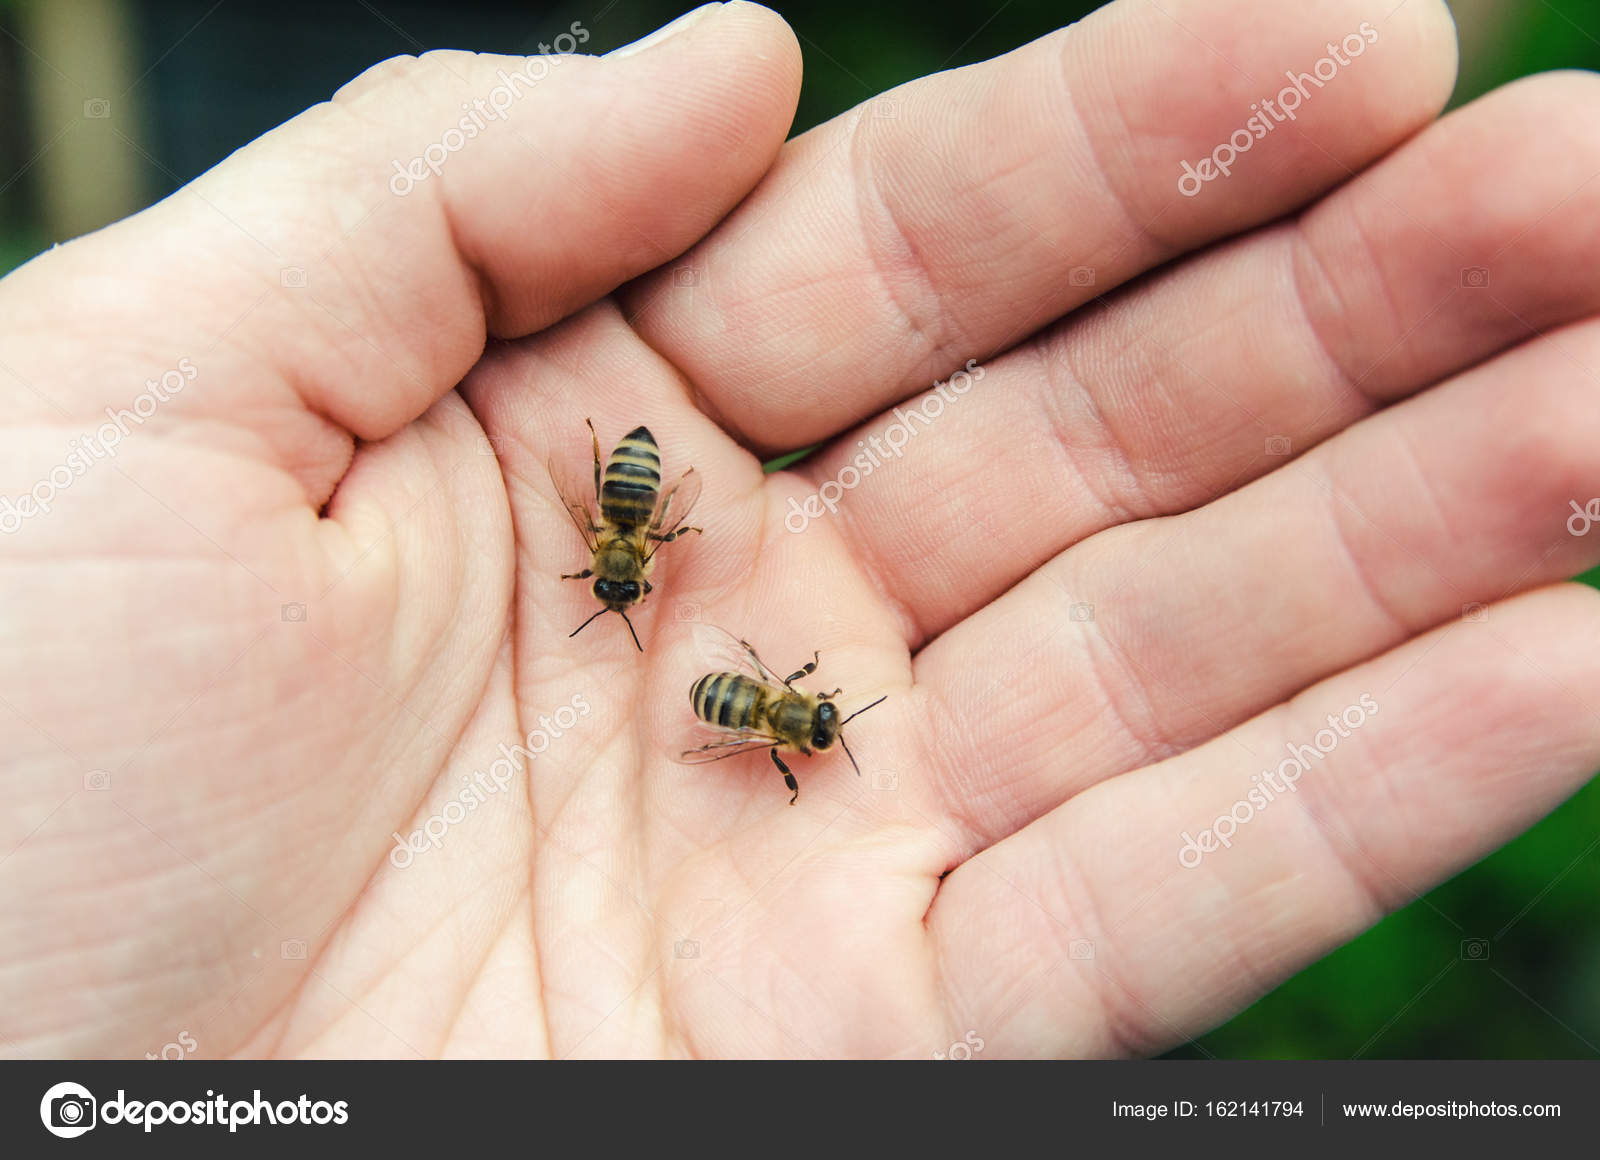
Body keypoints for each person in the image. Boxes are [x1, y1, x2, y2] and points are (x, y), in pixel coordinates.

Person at [3, 0, 1597, 1059]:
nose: (808, 726)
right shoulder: (723, 670)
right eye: (814, 726)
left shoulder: (724, 673)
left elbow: (720, 670)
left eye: (807, 727)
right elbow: (720, 668)